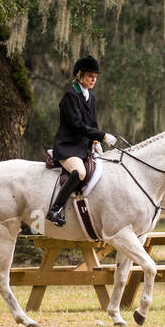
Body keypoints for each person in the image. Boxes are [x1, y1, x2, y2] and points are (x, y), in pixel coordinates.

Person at [47, 55, 117, 228]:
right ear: (79, 75)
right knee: (79, 172)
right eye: (89, 76)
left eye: (95, 77)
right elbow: (77, 125)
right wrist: (103, 135)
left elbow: (92, 123)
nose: (93, 80)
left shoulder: (91, 97)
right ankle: (55, 209)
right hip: (68, 148)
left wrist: (95, 142)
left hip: (84, 148)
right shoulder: (70, 95)